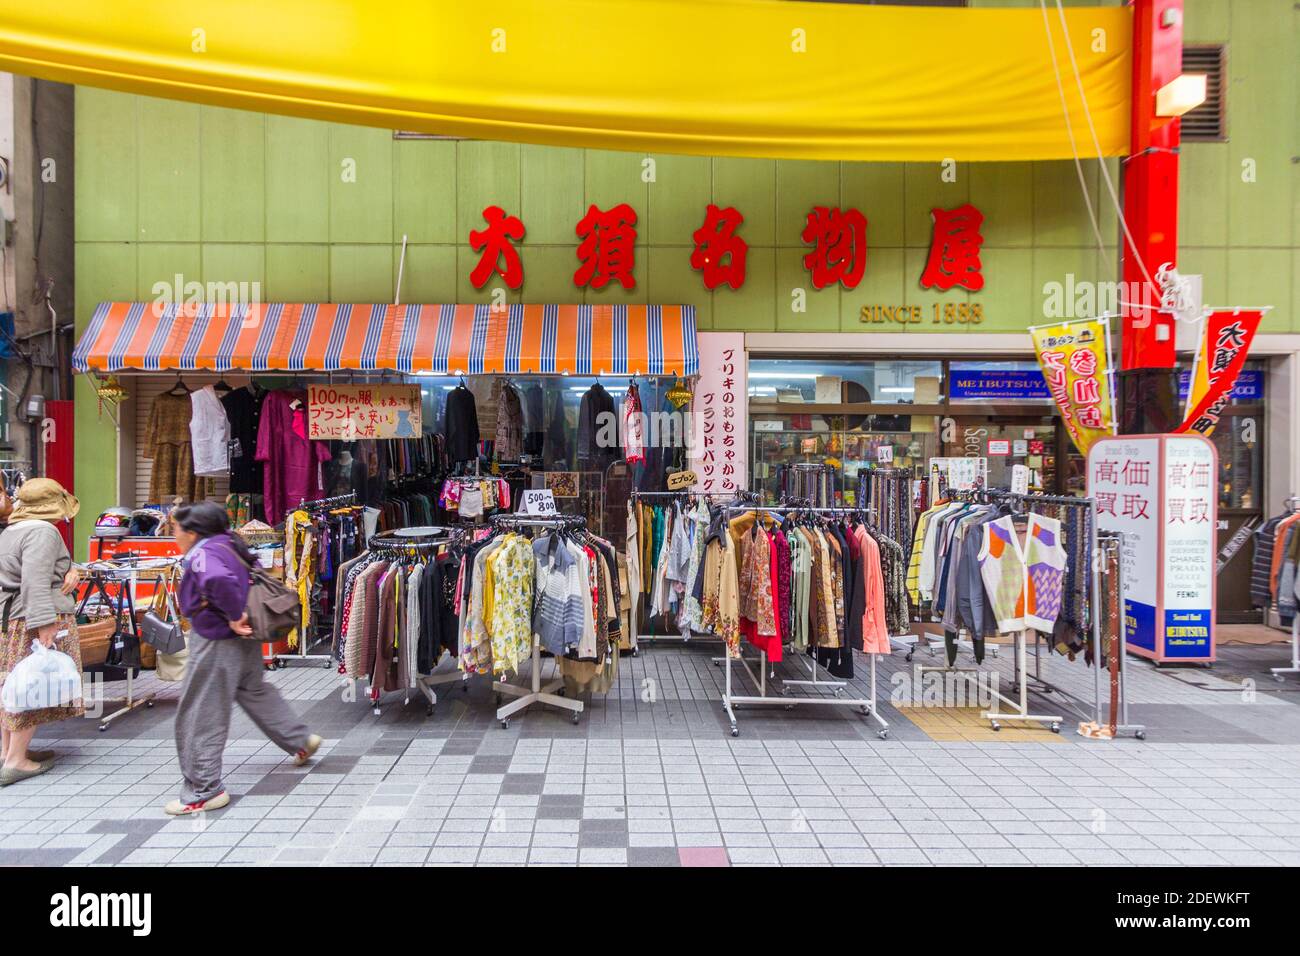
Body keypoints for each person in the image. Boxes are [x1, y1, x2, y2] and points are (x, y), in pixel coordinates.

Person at [168, 501, 320, 815]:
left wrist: (234, 615)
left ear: (192, 531)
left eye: (176, 528)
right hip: (244, 637)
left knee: (201, 712)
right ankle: (300, 739)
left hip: (216, 639)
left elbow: (219, 581)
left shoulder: (202, 553)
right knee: (254, 691)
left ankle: (203, 791)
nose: (174, 534)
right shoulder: (230, 544)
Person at [0, 478, 83, 786]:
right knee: (30, 684)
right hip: (35, 614)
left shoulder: (13, 530)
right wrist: (45, 622)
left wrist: (69, 569)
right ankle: (16, 760)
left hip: (11, 616)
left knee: (11, 682)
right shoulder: (44, 531)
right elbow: (34, 579)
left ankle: (8, 752)